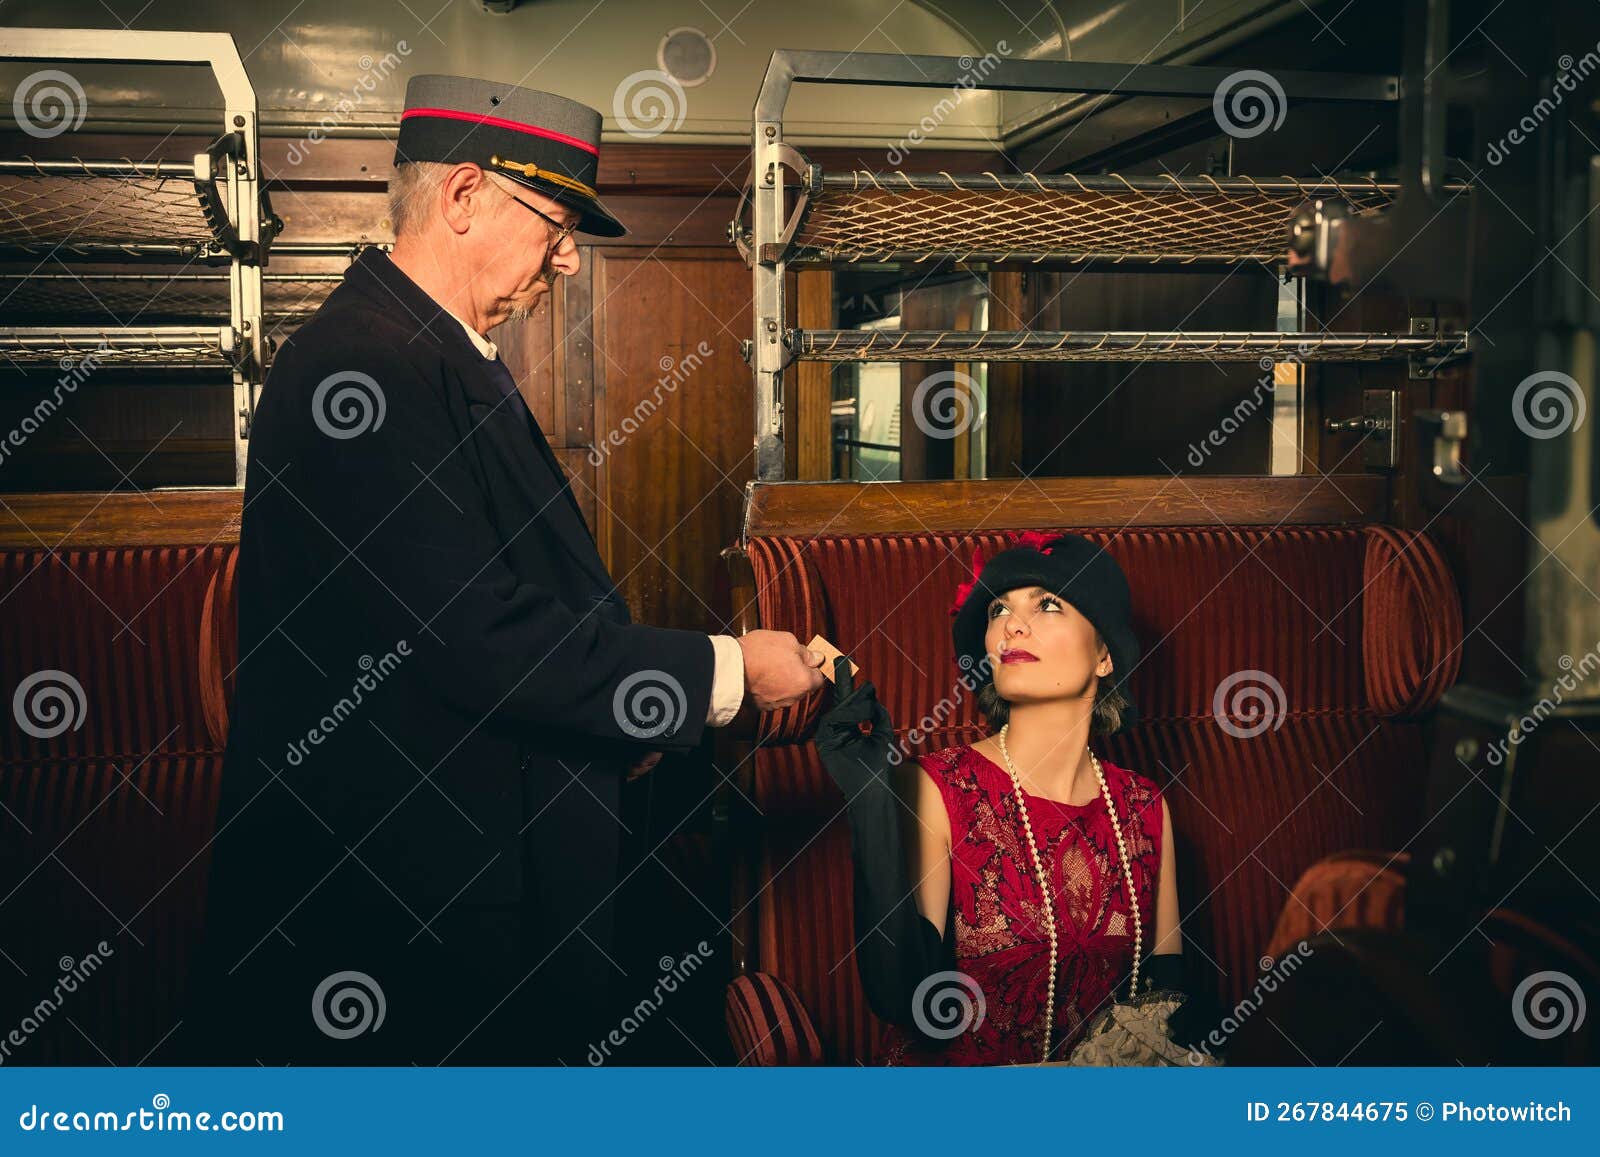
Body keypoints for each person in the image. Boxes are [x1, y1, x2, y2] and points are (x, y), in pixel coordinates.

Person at [181, 76, 823, 1065]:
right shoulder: (364, 368)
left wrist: (622, 725)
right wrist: (726, 671)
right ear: (463, 195)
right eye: (556, 224)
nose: (568, 256)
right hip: (401, 928)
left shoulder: (426, 352)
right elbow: (475, 637)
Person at [816, 531, 1197, 1064]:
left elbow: (1171, 1001)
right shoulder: (937, 786)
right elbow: (902, 1000)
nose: (1012, 625)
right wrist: (871, 798)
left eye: (1048, 604)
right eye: (999, 609)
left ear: (1105, 655)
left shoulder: (1142, 805)